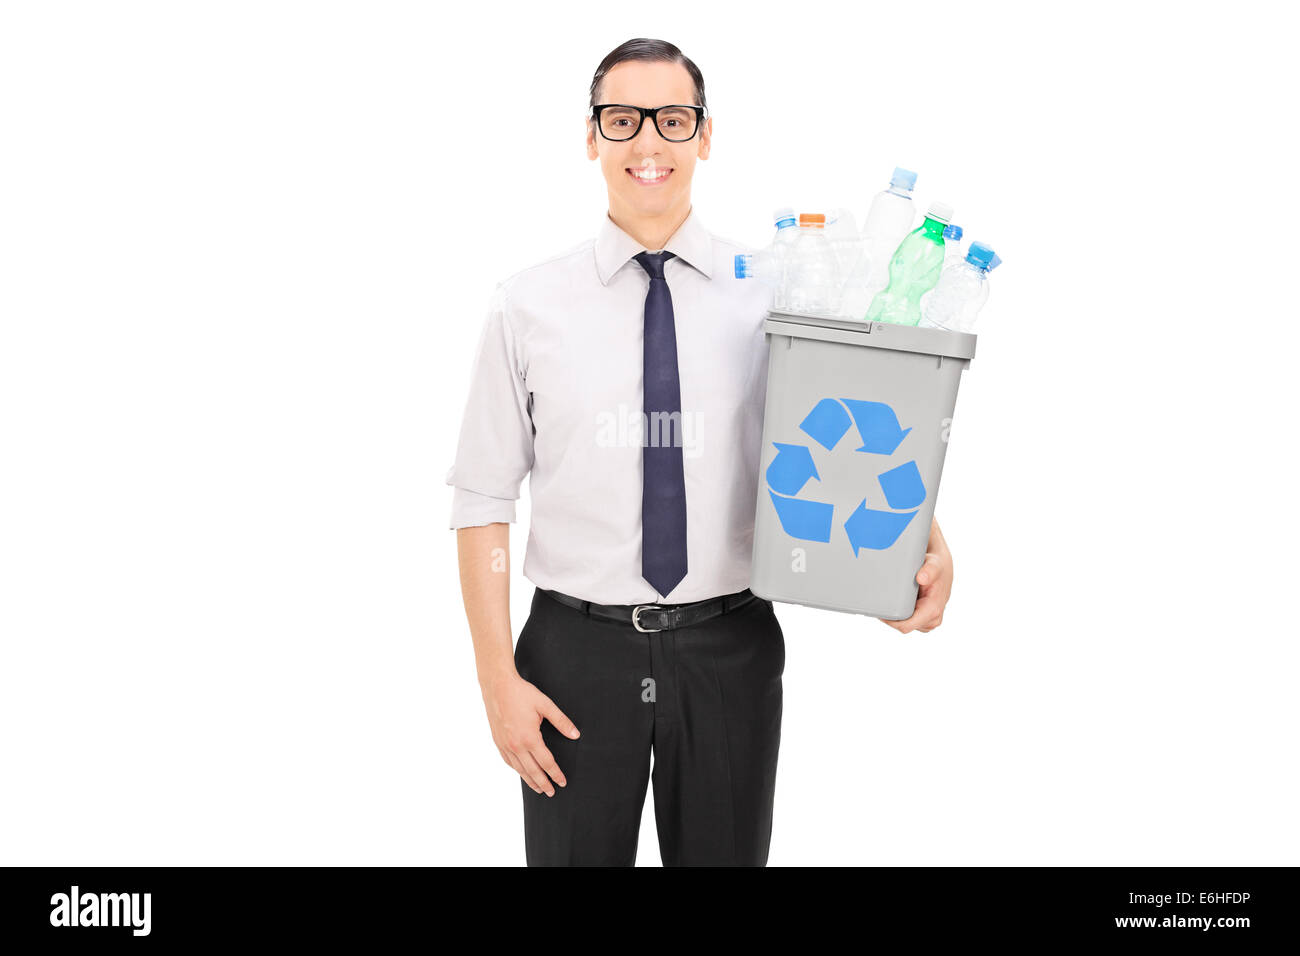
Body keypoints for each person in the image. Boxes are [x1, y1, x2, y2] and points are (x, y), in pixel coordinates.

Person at [446, 38, 954, 867]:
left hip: (730, 646)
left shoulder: (775, 290)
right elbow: (481, 500)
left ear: (705, 137)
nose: (649, 143)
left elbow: (848, 423)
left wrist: (923, 538)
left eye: (672, 120)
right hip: (575, 660)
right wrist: (495, 680)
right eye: (623, 120)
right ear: (592, 137)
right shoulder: (526, 304)